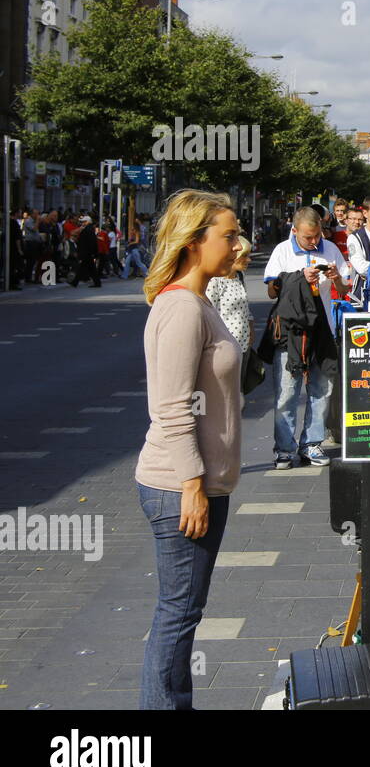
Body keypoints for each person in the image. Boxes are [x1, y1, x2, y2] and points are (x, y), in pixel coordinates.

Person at [136, 189, 243, 709]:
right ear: (194, 241)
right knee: (177, 613)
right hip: (178, 484)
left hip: (198, 481)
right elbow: (172, 408)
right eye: (228, 234)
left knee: (184, 611)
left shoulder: (199, 301)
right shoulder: (181, 308)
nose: (237, 243)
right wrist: (193, 486)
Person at [263, 207, 352, 469]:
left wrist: (336, 280)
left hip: (322, 328)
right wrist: (297, 279)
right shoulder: (283, 250)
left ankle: (312, 442)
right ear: (295, 231)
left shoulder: (330, 249)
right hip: (291, 330)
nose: (314, 242)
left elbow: (345, 287)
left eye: (317, 236)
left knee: (322, 387)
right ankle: (284, 448)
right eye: (308, 238)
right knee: (287, 392)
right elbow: (271, 290)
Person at [207, 235, 254, 354]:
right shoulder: (215, 280)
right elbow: (208, 317)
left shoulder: (240, 276)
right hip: (224, 349)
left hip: (244, 346)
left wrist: (251, 332)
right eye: (244, 255)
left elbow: (246, 310)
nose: (249, 260)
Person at [68, 215, 101, 287]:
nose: (82, 223)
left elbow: (91, 242)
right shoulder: (88, 229)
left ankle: (75, 282)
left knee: (85, 268)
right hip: (88, 252)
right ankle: (76, 282)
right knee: (89, 268)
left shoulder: (88, 229)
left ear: (88, 222)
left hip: (87, 252)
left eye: (84, 221)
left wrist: (92, 252)